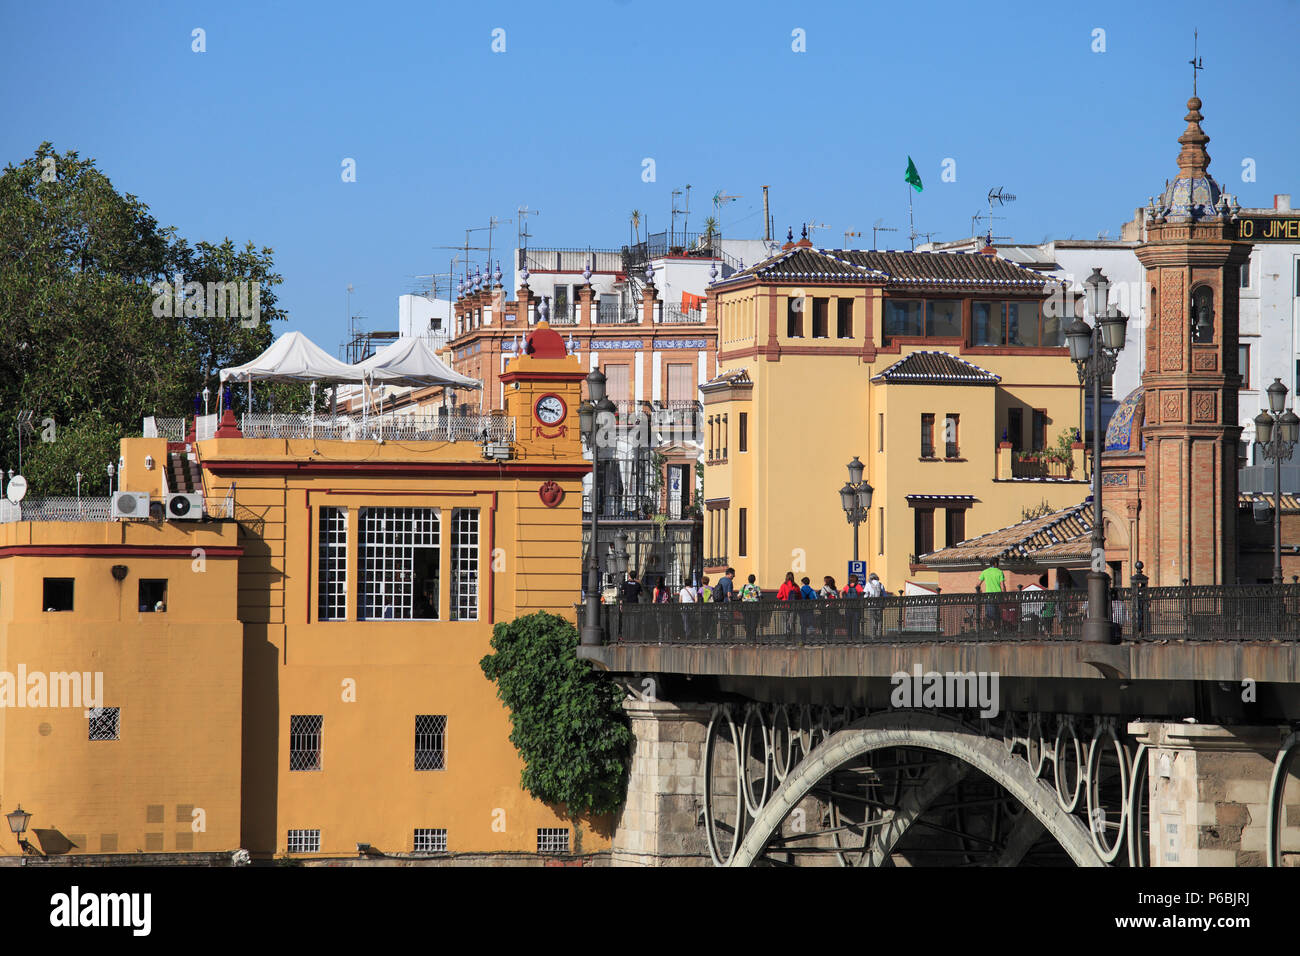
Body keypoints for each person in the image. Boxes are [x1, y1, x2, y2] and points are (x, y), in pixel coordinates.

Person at [976, 558, 1005, 631]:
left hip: (988, 596)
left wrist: (979, 592)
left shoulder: (985, 572)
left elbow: (978, 584)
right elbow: (1002, 585)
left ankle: (989, 630)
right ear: (995, 563)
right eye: (998, 562)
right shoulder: (1000, 572)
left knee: (990, 614)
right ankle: (997, 630)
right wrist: (1005, 594)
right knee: (998, 614)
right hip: (998, 596)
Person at [841, 574, 864, 639]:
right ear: (856, 580)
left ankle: (849, 637)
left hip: (848, 607)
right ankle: (855, 637)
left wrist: (843, 601)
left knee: (848, 623)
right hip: (856, 608)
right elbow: (862, 594)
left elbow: (841, 592)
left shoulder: (846, 586)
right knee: (856, 623)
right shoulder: (858, 586)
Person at [739, 573, 762, 641]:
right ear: (754, 580)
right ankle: (753, 638)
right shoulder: (757, 587)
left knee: (747, 621)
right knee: (754, 621)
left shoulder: (744, 587)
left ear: (748, 580)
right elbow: (760, 595)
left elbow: (739, 596)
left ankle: (748, 637)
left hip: (745, 606)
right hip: (754, 606)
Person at [865, 572, 886, 638]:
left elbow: (865, 595)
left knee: (872, 620)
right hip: (879, 605)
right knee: (879, 620)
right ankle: (879, 635)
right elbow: (884, 595)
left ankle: (873, 636)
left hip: (871, 604)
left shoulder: (868, 584)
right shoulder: (880, 584)